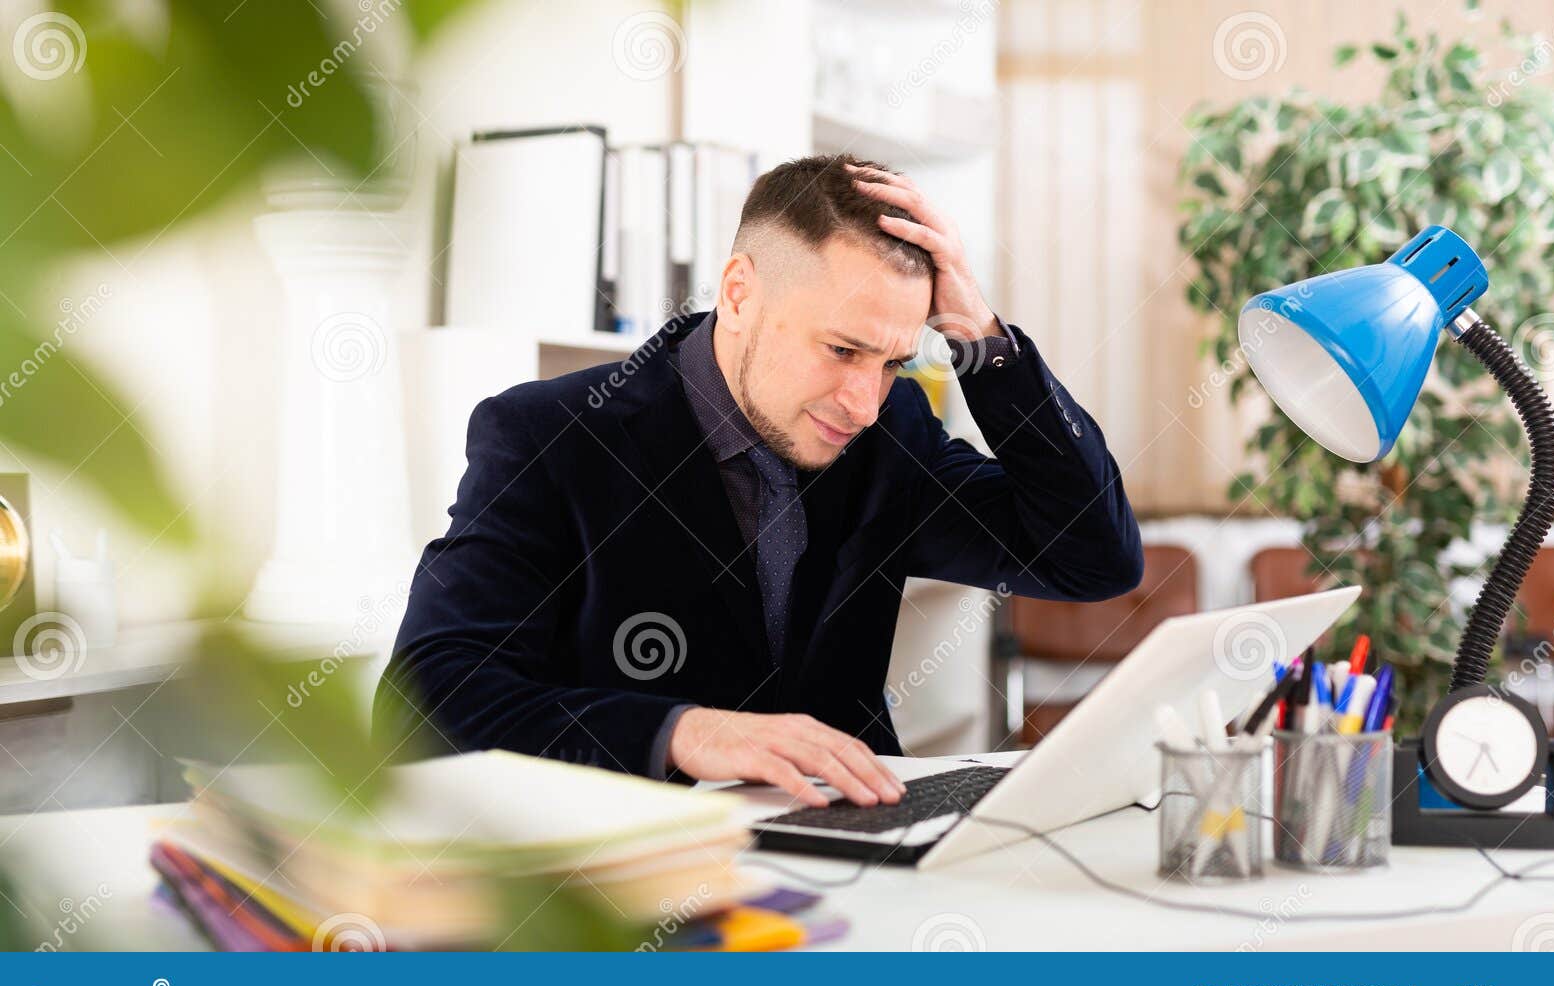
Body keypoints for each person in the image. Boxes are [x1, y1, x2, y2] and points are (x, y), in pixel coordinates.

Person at [375, 153, 1143, 809]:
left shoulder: (892, 433)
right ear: (739, 293)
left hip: (855, 851)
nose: (864, 404)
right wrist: (681, 731)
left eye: (892, 363)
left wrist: (982, 339)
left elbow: (1091, 559)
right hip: (635, 871)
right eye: (842, 350)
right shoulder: (552, 435)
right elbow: (428, 704)